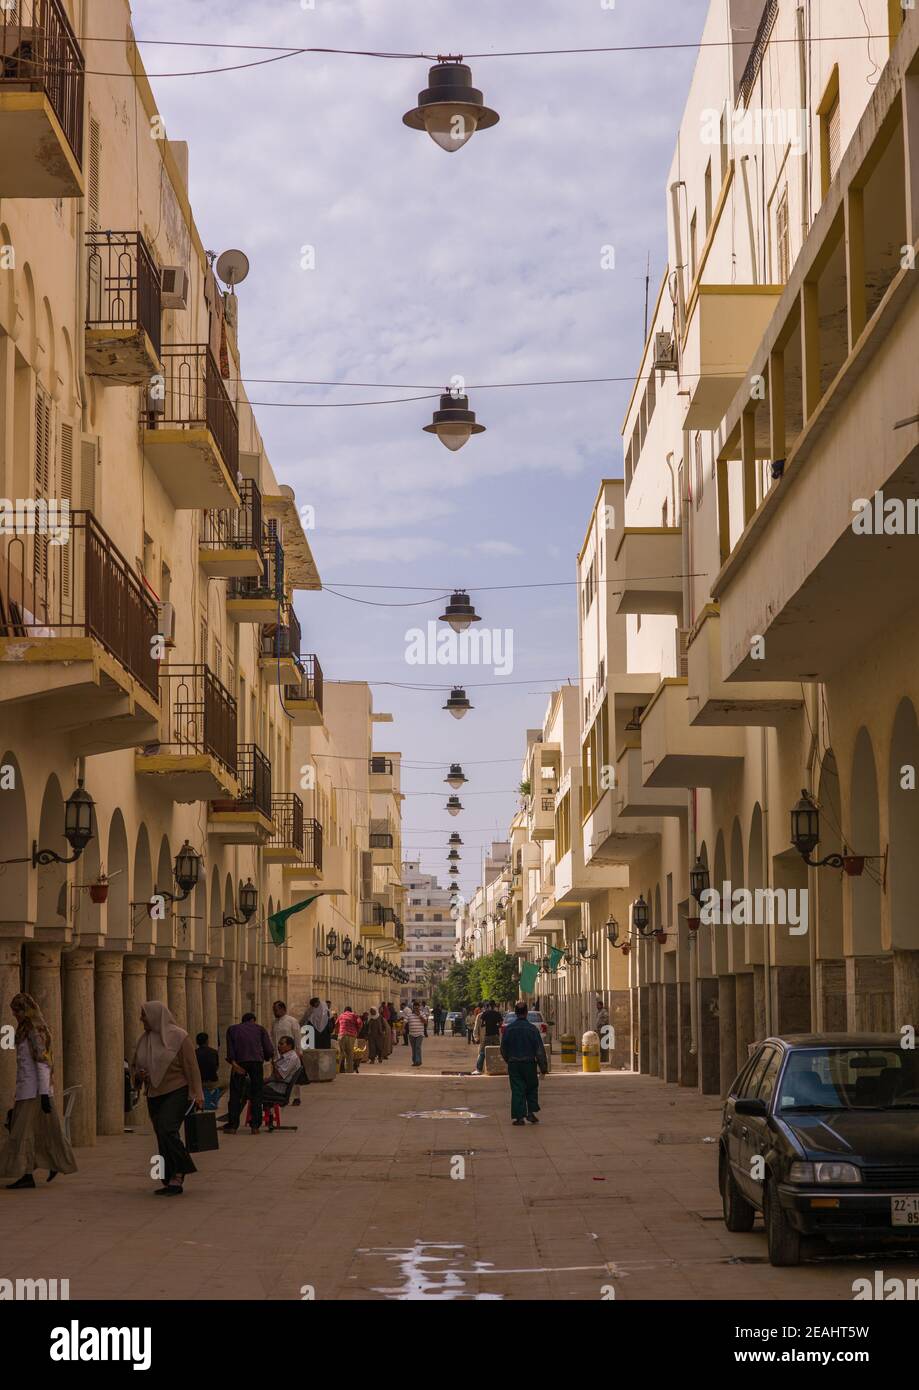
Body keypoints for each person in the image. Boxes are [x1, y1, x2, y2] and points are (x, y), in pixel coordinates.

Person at [0, 992, 77, 1190]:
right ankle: (40, 1168)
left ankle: (29, 1173)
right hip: (28, 1090)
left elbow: (42, 1063)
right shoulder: (25, 1029)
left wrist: (43, 1094)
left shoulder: (35, 1031)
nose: (14, 1015)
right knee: (42, 1132)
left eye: (16, 1011)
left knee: (23, 1133)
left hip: (35, 1092)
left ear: (25, 1011)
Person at [132, 1001, 204, 1192]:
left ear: (156, 1015)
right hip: (154, 1093)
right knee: (161, 1135)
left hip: (177, 1090)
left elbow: (191, 1066)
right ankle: (168, 1177)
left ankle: (180, 1172)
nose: (141, 1019)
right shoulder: (144, 1039)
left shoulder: (179, 1036)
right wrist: (139, 1075)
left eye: (144, 1015)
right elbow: (135, 1065)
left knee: (167, 1129)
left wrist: (197, 1094)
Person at [224, 1011, 273, 1134]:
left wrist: (234, 1064)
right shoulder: (260, 1029)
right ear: (253, 1020)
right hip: (256, 1063)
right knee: (257, 1093)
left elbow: (230, 1051)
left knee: (235, 1094)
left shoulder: (232, 1029)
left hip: (239, 1063)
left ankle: (233, 1126)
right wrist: (266, 1057)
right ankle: (255, 1126)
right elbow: (268, 1049)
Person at [500, 1000, 548, 1125]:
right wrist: (543, 1067)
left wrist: (509, 1060)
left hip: (514, 1064)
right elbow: (539, 1050)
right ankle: (531, 1113)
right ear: (526, 1013)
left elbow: (503, 1048)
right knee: (531, 1087)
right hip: (529, 1064)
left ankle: (519, 1117)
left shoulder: (509, 1030)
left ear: (515, 1013)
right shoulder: (532, 1029)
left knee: (517, 1089)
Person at [272, 1000, 303, 1104]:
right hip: (278, 1053)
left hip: (291, 1054)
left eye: (276, 1010)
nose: (275, 1012)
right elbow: (273, 1038)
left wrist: (299, 1051)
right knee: (278, 1074)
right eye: (274, 1010)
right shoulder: (274, 1023)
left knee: (293, 1075)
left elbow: (297, 1036)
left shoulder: (292, 1021)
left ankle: (296, 1097)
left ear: (283, 1009)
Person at [260, 1035, 302, 1112]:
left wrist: (273, 1062)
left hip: (278, 1089)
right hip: (273, 1085)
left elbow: (279, 1076)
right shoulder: (285, 1057)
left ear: (289, 1046)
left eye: (281, 1044)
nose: (278, 1046)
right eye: (278, 1044)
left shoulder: (292, 1058)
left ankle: (253, 1116)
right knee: (248, 1084)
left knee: (251, 1089)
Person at [473, 999, 503, 1075]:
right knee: (498, 1051)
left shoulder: (484, 1014)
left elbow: (481, 1024)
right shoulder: (497, 1014)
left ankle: (479, 1069)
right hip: (495, 1035)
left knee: (482, 1053)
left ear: (488, 1006)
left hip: (487, 1036)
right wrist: (496, 1026)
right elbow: (501, 1024)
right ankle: (500, 1067)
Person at [195, 1032, 221, 1111]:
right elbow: (216, 1066)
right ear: (207, 1041)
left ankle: (206, 1099)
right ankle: (212, 1099)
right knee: (225, 1084)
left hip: (199, 1082)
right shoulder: (213, 1052)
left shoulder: (194, 1053)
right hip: (212, 1081)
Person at [336, 1004, 362, 1073]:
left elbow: (336, 1024)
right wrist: (357, 1031)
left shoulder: (341, 1015)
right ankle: (349, 1070)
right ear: (351, 1011)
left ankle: (337, 1070)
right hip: (351, 1036)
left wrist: (337, 1033)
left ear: (344, 1011)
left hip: (342, 1035)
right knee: (349, 1054)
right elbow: (360, 1023)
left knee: (340, 1053)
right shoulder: (354, 1015)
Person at [405, 1001, 426, 1067]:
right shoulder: (409, 1014)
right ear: (413, 1008)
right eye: (415, 1008)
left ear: (419, 1008)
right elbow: (405, 1021)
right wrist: (402, 1028)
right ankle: (415, 1061)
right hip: (411, 1034)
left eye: (417, 1008)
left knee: (417, 1047)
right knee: (413, 1048)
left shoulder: (422, 1013)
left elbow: (425, 1022)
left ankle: (418, 1061)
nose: (416, 1009)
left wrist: (419, 1015)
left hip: (420, 1034)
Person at [595, 997, 611, 1064]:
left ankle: (604, 1058)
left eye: (598, 1005)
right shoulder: (598, 1012)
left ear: (601, 1005)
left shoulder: (604, 1012)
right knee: (600, 1044)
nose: (597, 1006)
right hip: (599, 1029)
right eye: (597, 1005)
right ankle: (602, 1058)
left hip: (603, 1030)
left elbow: (606, 1019)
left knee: (603, 1044)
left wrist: (602, 1025)